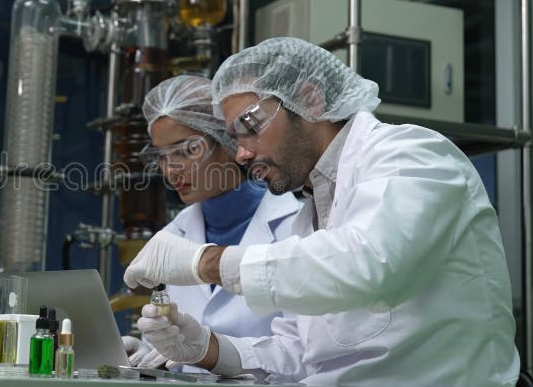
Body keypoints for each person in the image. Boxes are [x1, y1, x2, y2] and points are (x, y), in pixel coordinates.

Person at [123, 37, 520, 386]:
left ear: (310, 100)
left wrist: (206, 262)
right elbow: (298, 354)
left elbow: (366, 261)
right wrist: (205, 348)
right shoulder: (311, 214)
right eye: (234, 138)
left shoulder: (412, 155)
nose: (243, 154)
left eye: (251, 126)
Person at [121, 75, 301, 372]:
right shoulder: (173, 236)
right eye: (162, 157)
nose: (171, 171)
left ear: (230, 142)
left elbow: (303, 356)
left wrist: (207, 352)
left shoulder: (296, 229)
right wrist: (151, 355)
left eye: (187, 150)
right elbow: (177, 343)